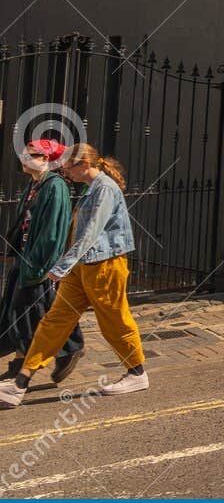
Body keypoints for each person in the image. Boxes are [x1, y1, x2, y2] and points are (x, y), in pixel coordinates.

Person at [0, 144, 147, 407]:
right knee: (55, 320)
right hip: (81, 266)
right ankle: (20, 382)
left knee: (114, 320)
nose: (65, 172)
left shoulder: (105, 189)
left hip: (105, 265)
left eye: (69, 167)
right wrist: (68, 263)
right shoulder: (90, 188)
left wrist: (61, 266)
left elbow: (91, 232)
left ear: (84, 165)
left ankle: (137, 372)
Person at [0, 140, 84, 383]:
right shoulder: (34, 184)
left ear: (46, 159)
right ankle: (67, 348)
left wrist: (40, 264)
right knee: (34, 309)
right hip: (24, 256)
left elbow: (52, 232)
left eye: (31, 154)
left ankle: (29, 363)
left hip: (37, 262)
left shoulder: (55, 186)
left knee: (28, 310)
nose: (24, 158)